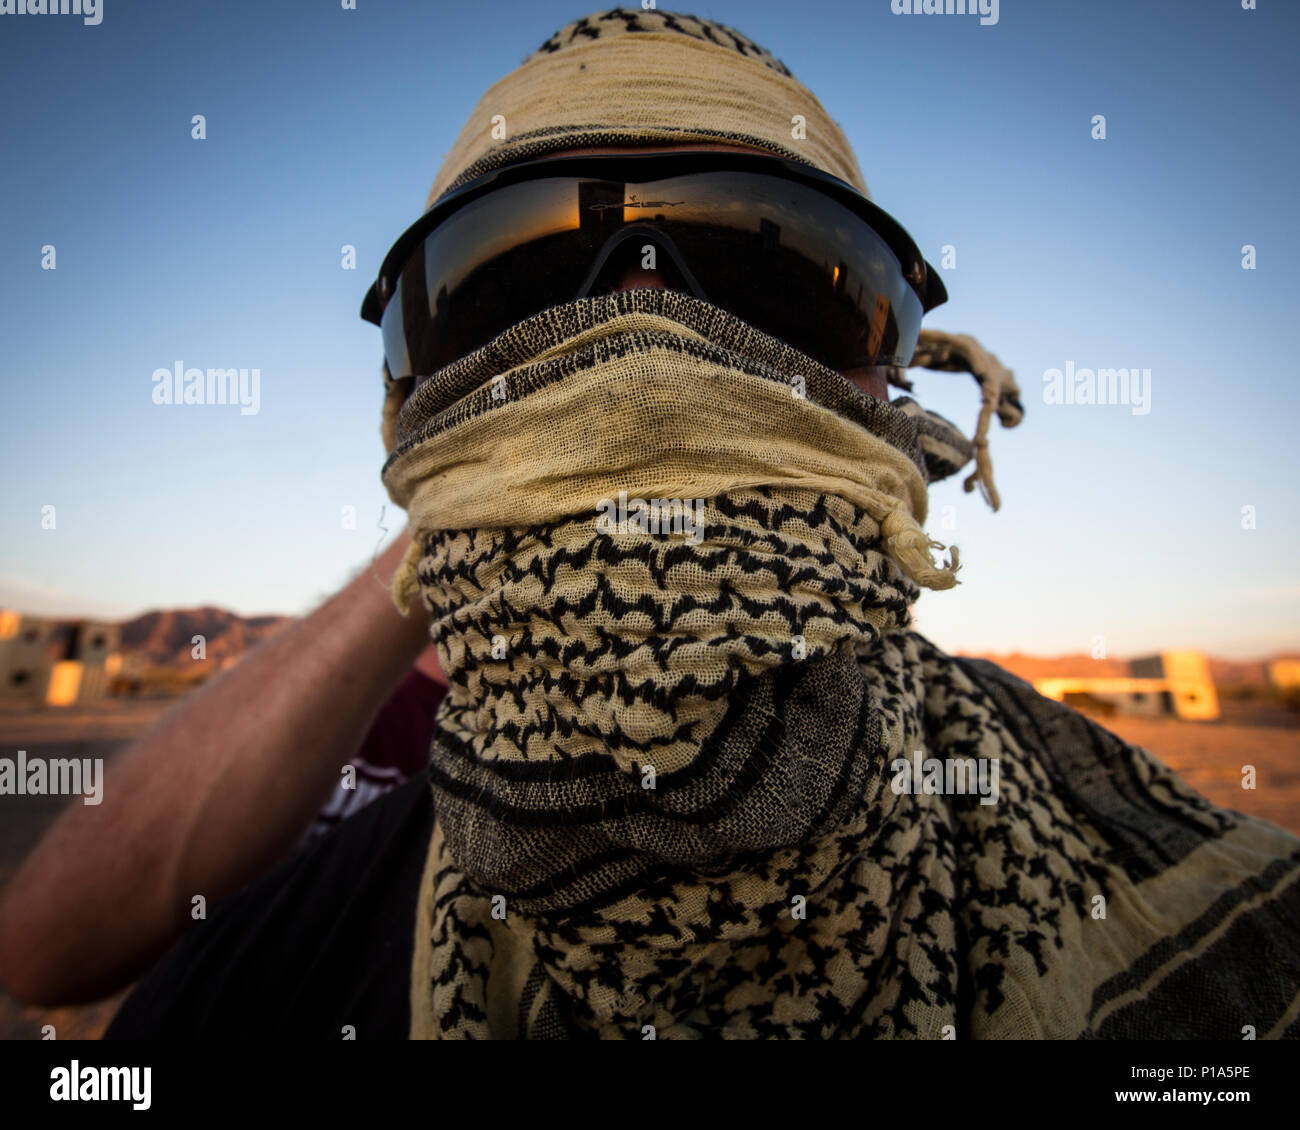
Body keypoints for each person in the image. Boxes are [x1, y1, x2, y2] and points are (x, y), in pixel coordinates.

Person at [8, 8, 1300, 1040]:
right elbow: (49, 947)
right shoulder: (339, 823)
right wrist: (489, 506)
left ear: (895, 388)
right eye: (510, 278)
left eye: (768, 268)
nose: (642, 330)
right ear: (408, 400)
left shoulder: (1188, 878)